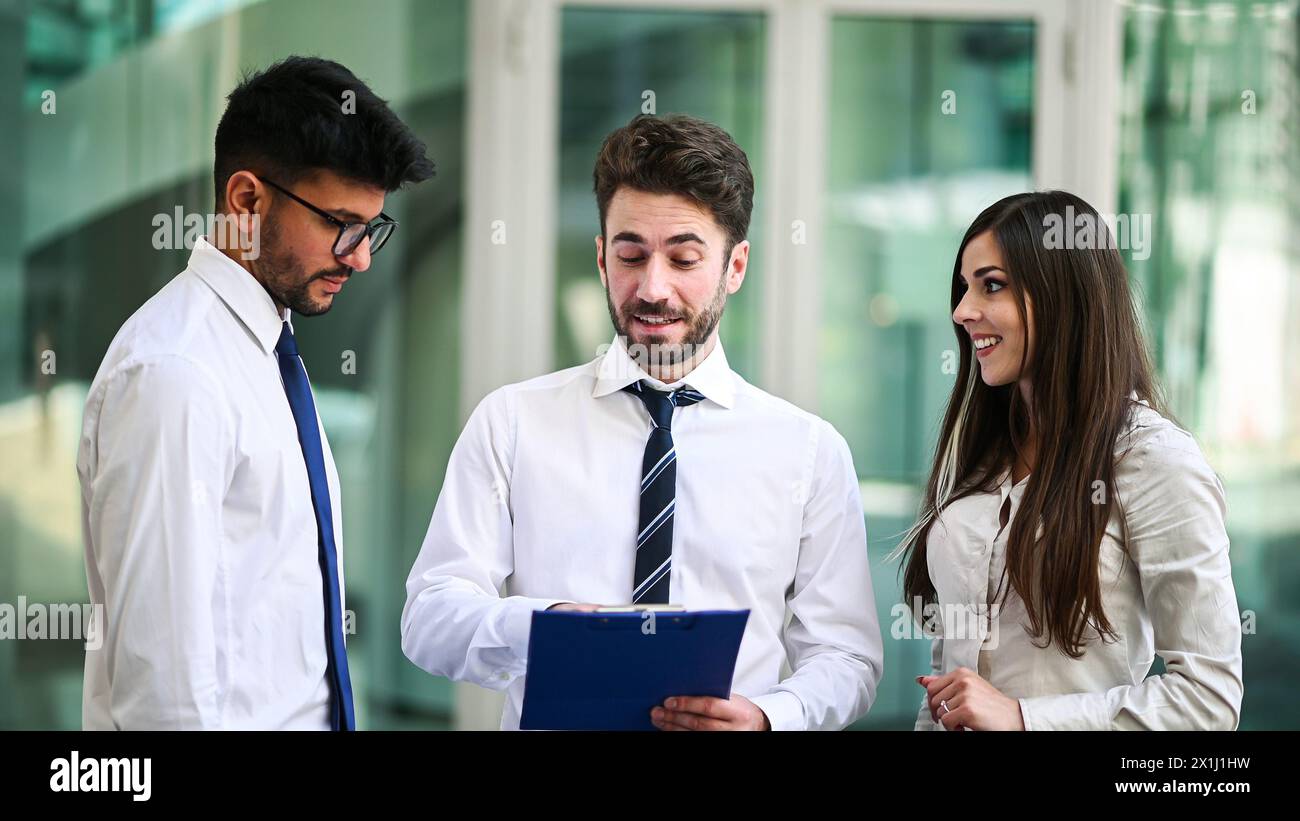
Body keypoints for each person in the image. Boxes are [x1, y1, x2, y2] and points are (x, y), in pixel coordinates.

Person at [401, 113, 882, 731]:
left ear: (735, 266)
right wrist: (550, 628)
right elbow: (429, 619)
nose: (652, 289)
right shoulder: (512, 423)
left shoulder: (809, 451)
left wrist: (768, 717)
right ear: (602, 258)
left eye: (684, 259)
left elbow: (847, 655)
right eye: (632, 255)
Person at [77, 56, 435, 729]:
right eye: (341, 223)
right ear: (247, 201)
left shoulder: (268, 353)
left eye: (372, 228)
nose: (360, 256)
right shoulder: (174, 374)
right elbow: (164, 694)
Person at [900, 191, 1243, 730]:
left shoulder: (1153, 461)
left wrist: (1022, 719)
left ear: (1062, 296)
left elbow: (1208, 700)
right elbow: (951, 682)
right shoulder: (984, 456)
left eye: (991, 285)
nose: (962, 311)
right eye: (964, 288)